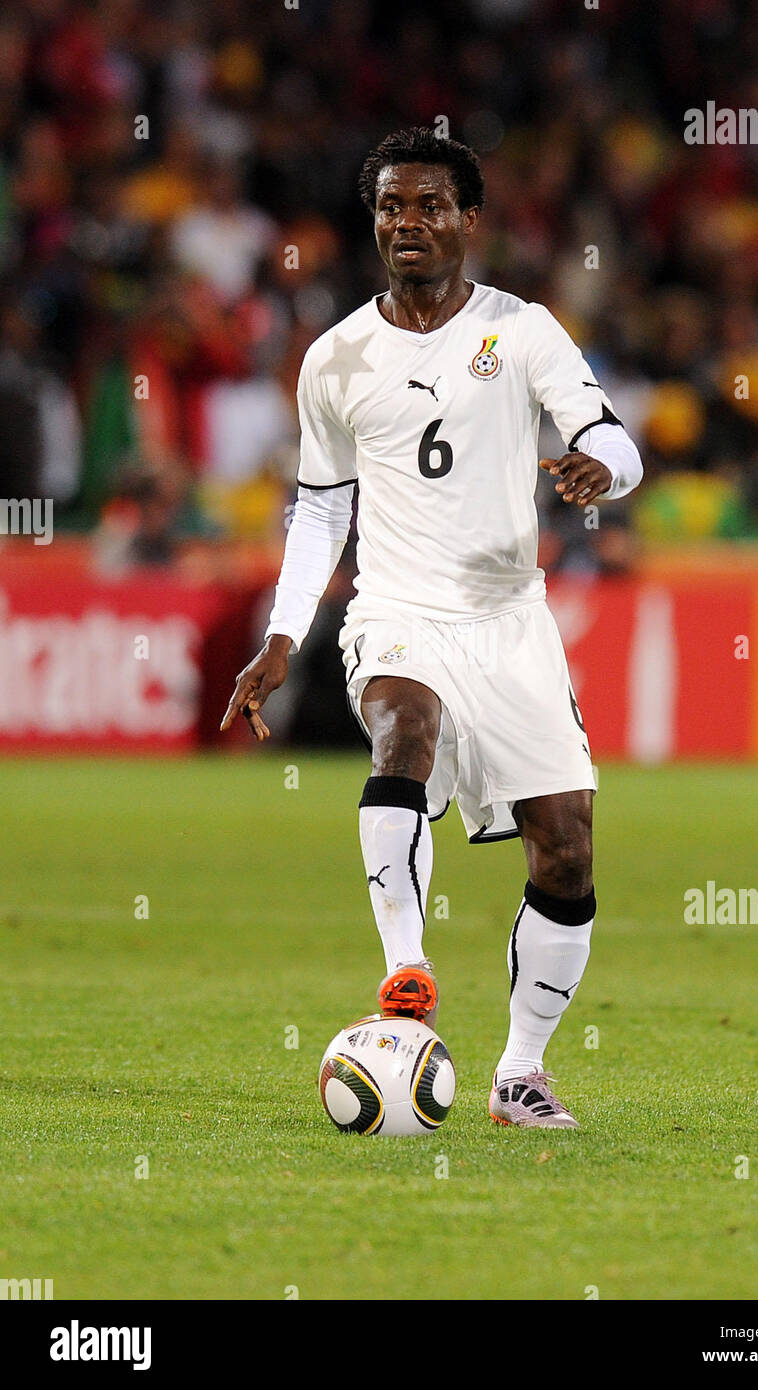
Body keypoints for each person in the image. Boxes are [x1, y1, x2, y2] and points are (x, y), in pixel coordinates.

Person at [221, 127, 643, 1128]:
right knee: (400, 727)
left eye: (428, 206)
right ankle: (406, 968)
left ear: (467, 221)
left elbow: (609, 437)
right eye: (390, 208)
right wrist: (286, 633)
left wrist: (600, 472)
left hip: (507, 620)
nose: (407, 223)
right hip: (395, 610)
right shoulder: (335, 359)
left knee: (568, 847)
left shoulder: (522, 330)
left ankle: (519, 1074)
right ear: (374, 223)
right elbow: (322, 506)